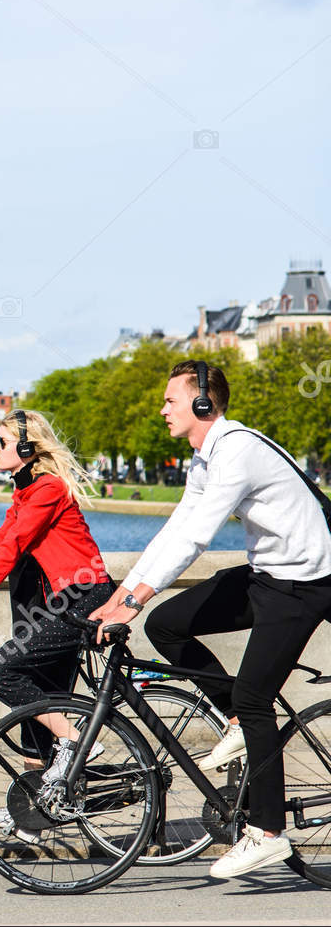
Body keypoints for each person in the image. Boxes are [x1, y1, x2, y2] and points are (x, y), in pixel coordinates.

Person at [91, 360, 331, 879]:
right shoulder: (205, 458)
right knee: (166, 624)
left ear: (204, 404)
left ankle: (267, 832)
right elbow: (175, 529)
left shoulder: (237, 451)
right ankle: (238, 722)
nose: (162, 409)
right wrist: (126, 594)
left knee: (254, 695)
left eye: (170, 400)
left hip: (305, 584)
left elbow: (197, 536)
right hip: (268, 574)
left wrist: (131, 600)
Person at [0, 410, 115, 843]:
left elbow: (14, 547)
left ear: (28, 449)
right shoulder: (25, 494)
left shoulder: (47, 489)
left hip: (80, 597)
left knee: (1, 672)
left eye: (2, 441)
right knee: (34, 707)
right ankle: (33, 812)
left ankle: (77, 738)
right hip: (56, 603)